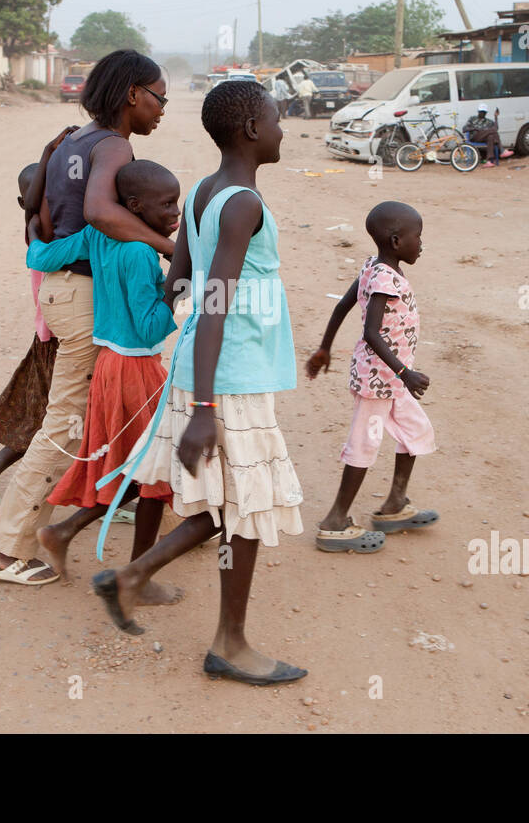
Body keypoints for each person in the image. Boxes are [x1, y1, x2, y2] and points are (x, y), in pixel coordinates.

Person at [90, 80, 306, 686]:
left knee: (229, 501)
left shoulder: (204, 195)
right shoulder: (241, 204)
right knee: (247, 506)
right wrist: (206, 404)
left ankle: (132, 577)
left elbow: (177, 282)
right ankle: (230, 645)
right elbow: (211, 303)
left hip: (204, 369)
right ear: (251, 131)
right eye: (278, 118)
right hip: (229, 379)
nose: (284, 129)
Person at [0, 50, 171, 586]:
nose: (161, 110)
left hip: (63, 290)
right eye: (159, 98)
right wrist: (172, 247)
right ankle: (7, 546)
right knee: (65, 423)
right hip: (83, 297)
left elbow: (36, 212)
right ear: (133, 94)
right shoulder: (113, 143)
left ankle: (115, 509)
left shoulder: (72, 140)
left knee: (85, 416)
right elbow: (99, 213)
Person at [29, 161, 183, 597]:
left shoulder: (97, 235)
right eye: (167, 203)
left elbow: (40, 257)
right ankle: (138, 576)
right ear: (134, 206)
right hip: (137, 368)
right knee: (153, 472)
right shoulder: (138, 252)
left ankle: (63, 534)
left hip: (108, 366)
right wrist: (176, 285)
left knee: (136, 466)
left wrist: (33, 225)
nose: (175, 211)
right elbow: (151, 326)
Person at [306, 201, 438, 553]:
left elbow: (341, 306)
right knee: (364, 444)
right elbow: (371, 333)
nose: (422, 243)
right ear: (396, 242)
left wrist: (324, 348)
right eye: (418, 237)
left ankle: (394, 503)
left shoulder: (373, 266)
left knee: (416, 432)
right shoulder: (382, 277)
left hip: (391, 380)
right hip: (380, 380)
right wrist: (405, 372)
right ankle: (335, 522)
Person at [0, 136, 74, 511]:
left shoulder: (45, 228)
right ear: (25, 204)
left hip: (55, 337)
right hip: (57, 340)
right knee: (51, 419)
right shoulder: (39, 233)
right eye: (39, 196)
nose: (47, 202)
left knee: (55, 417)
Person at [463, 104, 513, 168]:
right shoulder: (472, 118)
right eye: (481, 112)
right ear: (478, 111)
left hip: (484, 138)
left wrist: (496, 117)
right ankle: (502, 150)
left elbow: (496, 128)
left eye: (483, 112)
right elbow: (464, 129)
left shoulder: (488, 121)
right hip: (475, 137)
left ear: (486, 113)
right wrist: (474, 128)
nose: (482, 113)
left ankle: (488, 161)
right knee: (492, 131)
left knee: (491, 137)